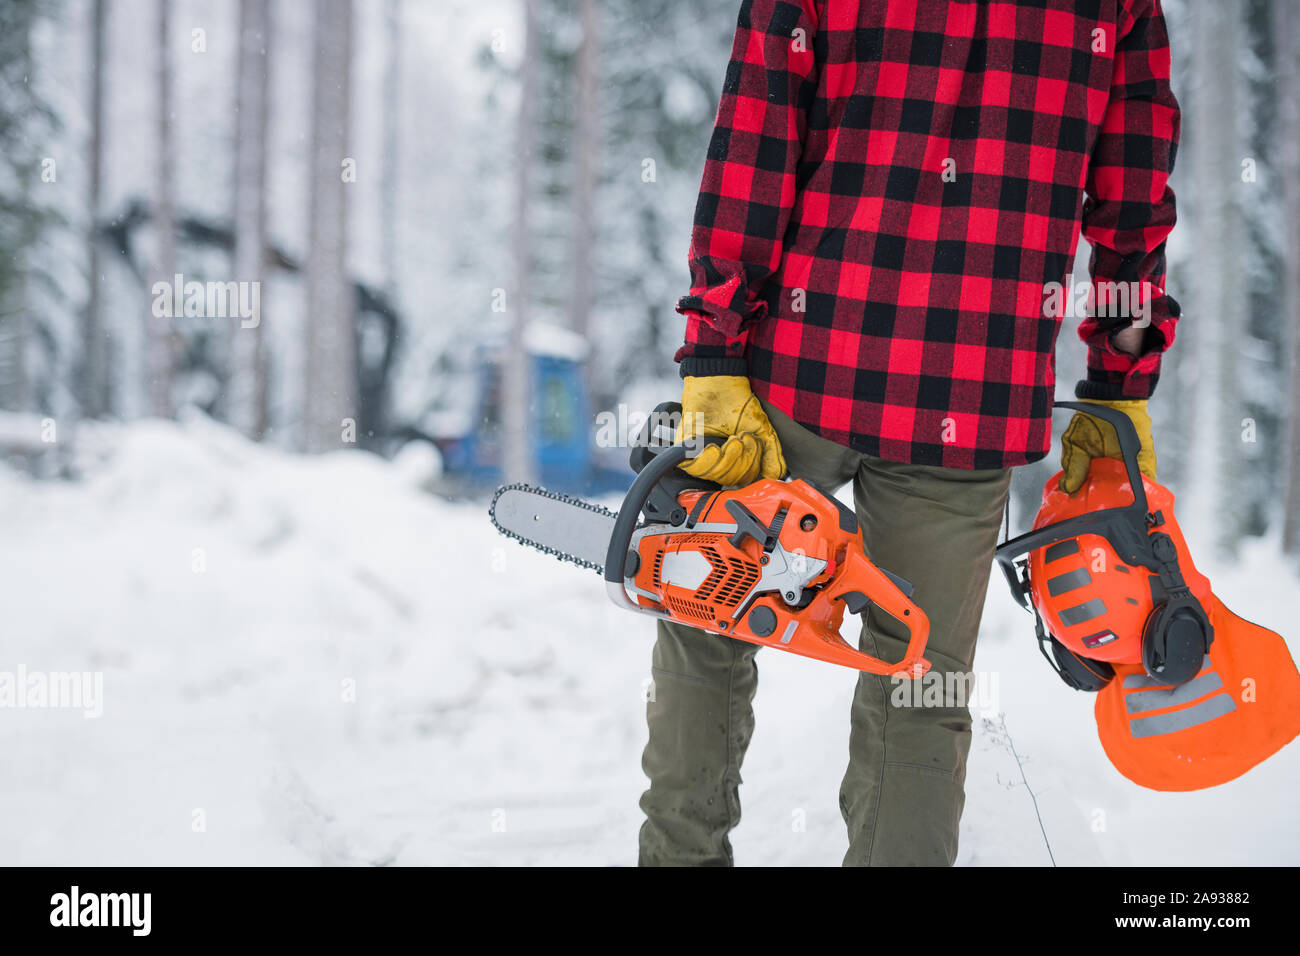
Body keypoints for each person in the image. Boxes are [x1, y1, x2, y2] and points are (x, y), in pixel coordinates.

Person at [638, 0, 1181, 866]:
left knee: (708, 612)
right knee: (923, 691)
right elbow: (1132, 204)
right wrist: (1120, 390)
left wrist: (713, 350)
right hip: (972, 400)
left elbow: (756, 142)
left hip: (802, 370)